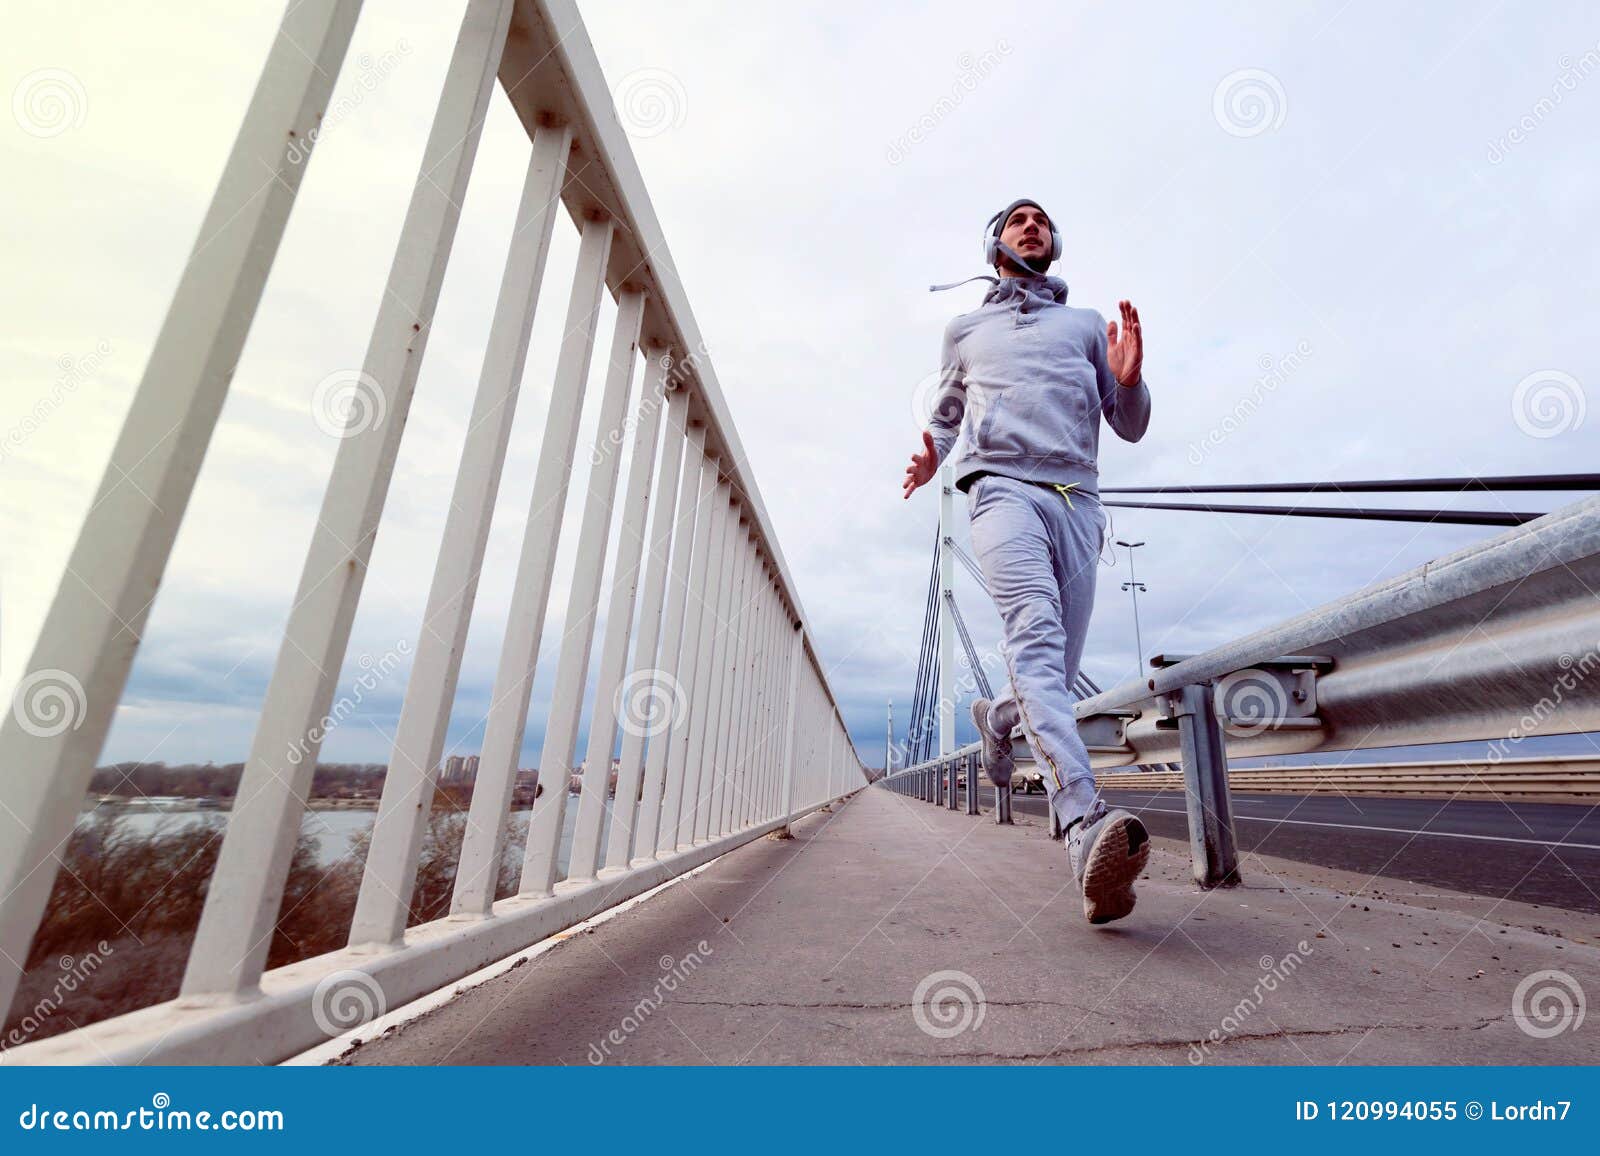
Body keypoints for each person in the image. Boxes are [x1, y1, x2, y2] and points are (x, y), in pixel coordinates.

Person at [901, 197, 1153, 925]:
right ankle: (1084, 827)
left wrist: (1129, 380)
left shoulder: (1082, 326)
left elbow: (1129, 427)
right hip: (1001, 491)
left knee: (1055, 677)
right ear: (996, 244)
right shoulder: (966, 330)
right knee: (1034, 637)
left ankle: (999, 717)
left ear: (1055, 243)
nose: (1031, 226)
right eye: (1018, 221)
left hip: (1078, 500)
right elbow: (946, 419)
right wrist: (931, 456)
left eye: (1041, 220)